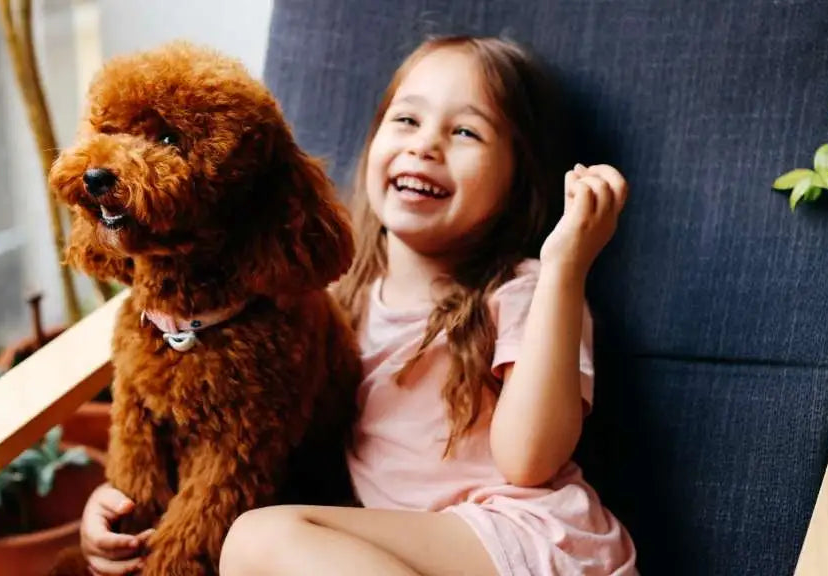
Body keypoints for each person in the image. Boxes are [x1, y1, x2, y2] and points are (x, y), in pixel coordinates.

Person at [81, 35, 638, 576]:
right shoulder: (325, 308)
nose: (425, 145)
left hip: (522, 542)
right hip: (389, 554)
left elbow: (530, 461)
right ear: (373, 144)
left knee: (255, 538)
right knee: (251, 539)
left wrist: (566, 265)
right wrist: (119, 498)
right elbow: (217, 424)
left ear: (519, 181)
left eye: (465, 131)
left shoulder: (521, 291)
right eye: (406, 120)